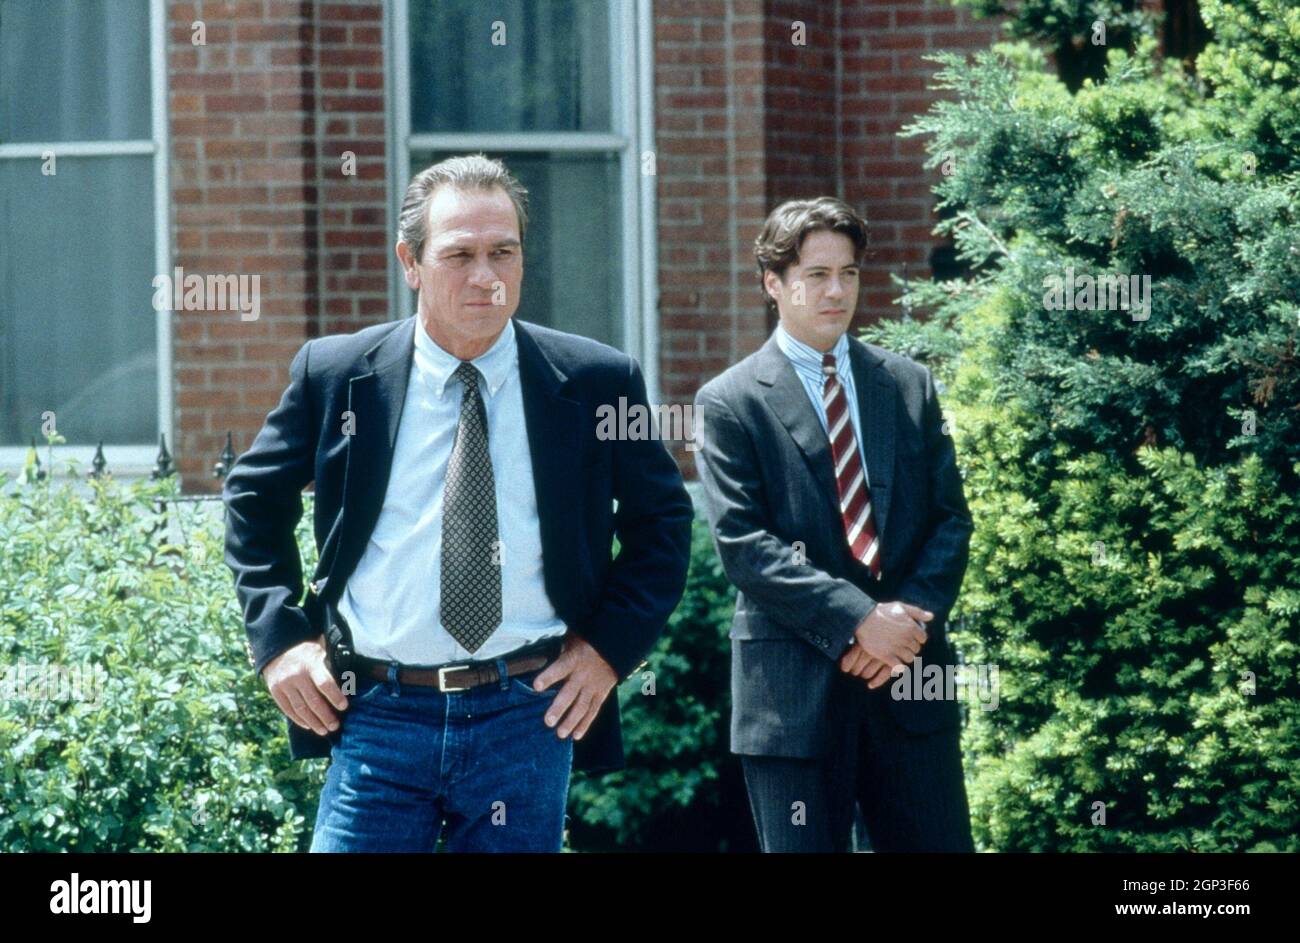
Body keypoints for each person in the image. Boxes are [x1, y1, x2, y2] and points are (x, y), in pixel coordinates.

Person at [223, 154, 693, 852]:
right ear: (410, 262)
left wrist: (607, 650)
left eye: (503, 252)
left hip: (526, 715)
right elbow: (253, 496)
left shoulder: (596, 382)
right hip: (377, 714)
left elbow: (663, 524)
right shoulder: (339, 374)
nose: (486, 276)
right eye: (460, 255)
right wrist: (281, 642)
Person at [693, 196, 975, 852]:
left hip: (909, 685)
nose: (836, 290)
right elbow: (744, 544)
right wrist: (858, 619)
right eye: (816, 274)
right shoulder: (731, 403)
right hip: (795, 699)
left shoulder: (908, 386)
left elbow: (950, 520)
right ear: (773, 283)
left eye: (848, 273)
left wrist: (902, 625)